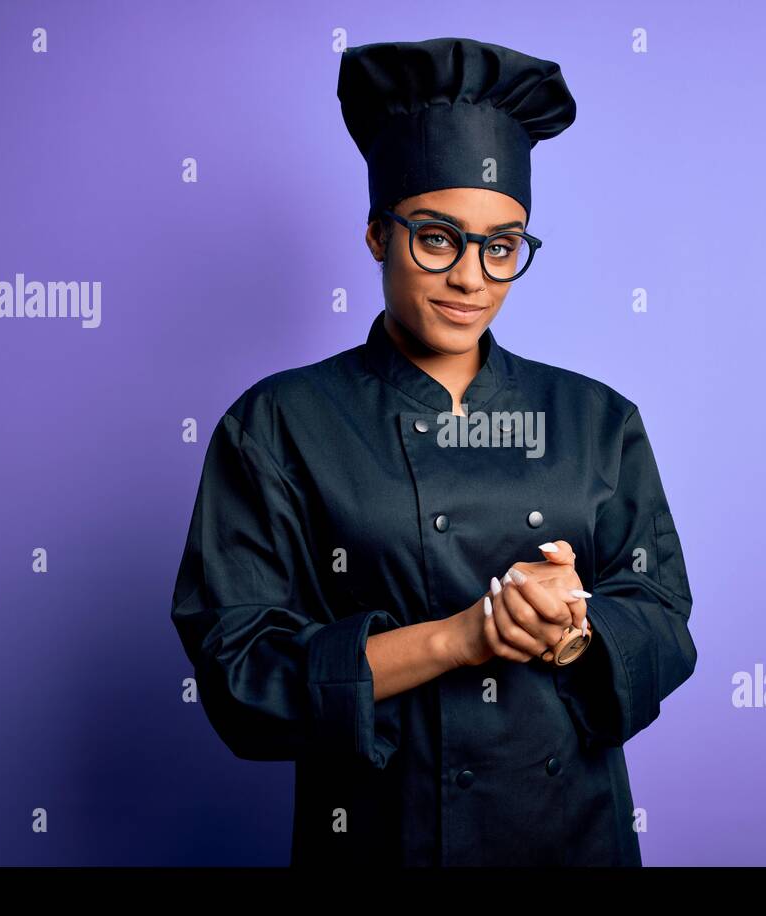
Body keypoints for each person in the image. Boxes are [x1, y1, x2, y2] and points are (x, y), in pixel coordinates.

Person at [169, 36, 697, 866]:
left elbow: (665, 619)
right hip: (381, 841)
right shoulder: (278, 423)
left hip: (571, 838)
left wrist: (576, 631)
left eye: (502, 244)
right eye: (438, 238)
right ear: (379, 235)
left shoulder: (598, 416)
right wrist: (463, 638)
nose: (472, 278)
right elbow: (241, 675)